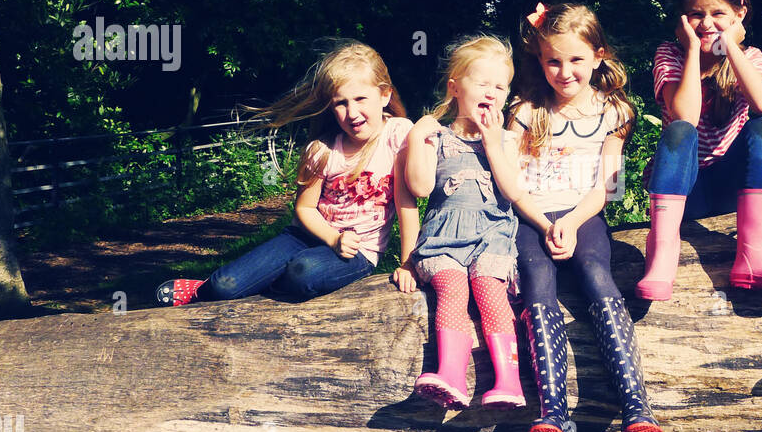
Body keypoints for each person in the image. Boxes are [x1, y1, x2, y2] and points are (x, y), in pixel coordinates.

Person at [156, 40, 418, 306]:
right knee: (224, 285)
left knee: (302, 273)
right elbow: (304, 209)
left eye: (361, 99)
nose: (352, 113)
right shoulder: (322, 150)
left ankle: (257, 296)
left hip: (359, 252)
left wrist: (408, 263)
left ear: (384, 95)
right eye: (341, 103)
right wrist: (333, 237)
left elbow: (407, 202)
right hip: (306, 236)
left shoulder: (397, 135)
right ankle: (203, 292)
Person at [509, 2, 662, 432]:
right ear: (540, 60)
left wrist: (573, 222)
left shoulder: (613, 112)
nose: (564, 71)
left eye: (576, 59)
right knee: (537, 284)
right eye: (553, 60)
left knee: (597, 275)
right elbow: (512, 180)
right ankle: (554, 413)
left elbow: (606, 185)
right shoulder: (526, 111)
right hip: (531, 216)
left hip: (585, 214)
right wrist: (543, 222)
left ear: (598, 56)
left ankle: (636, 403)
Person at [635, 0, 762, 301]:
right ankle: (661, 257)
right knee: (678, 133)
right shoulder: (670, 55)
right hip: (684, 191)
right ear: (682, 20)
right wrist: (692, 50)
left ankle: (758, 255)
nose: (706, 24)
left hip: (730, 189)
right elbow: (684, 115)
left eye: (718, 13)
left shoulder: (751, 57)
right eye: (695, 15)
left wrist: (730, 47)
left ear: (739, 15)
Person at [404, 36, 528, 410]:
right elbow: (421, 188)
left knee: (490, 292)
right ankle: (451, 375)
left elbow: (513, 192)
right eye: (482, 83)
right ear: (455, 88)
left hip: (492, 236)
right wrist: (415, 137)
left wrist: (491, 144)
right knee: (453, 291)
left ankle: (510, 382)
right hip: (444, 240)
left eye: (500, 86)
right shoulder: (437, 138)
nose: (492, 92)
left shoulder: (508, 140)